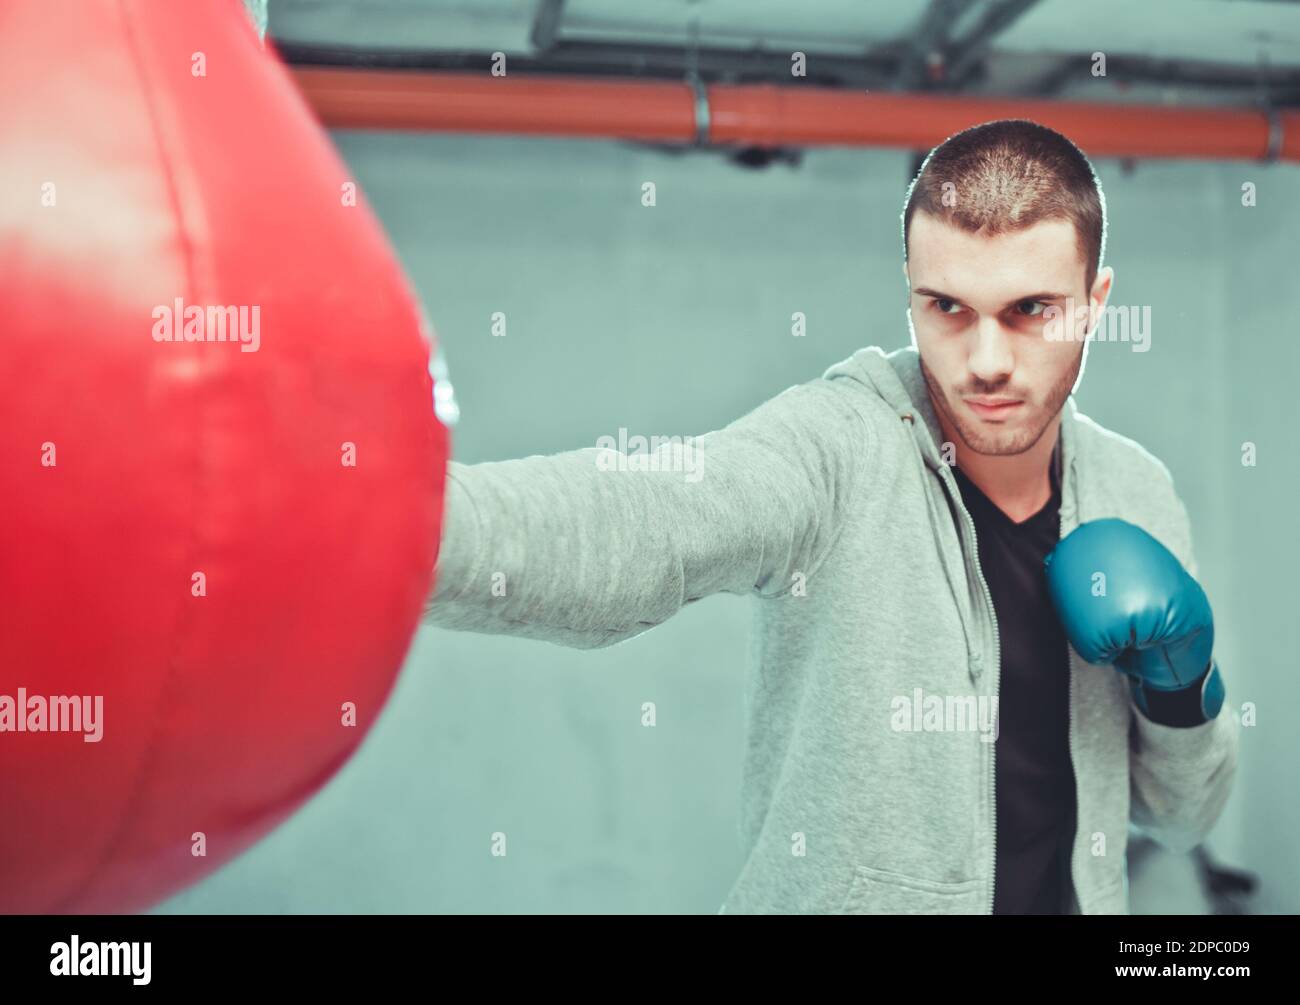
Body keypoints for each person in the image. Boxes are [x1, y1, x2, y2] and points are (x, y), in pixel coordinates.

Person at [422, 119, 1239, 914]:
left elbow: (1181, 816)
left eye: (1029, 310)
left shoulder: (1135, 490)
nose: (986, 361)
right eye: (947, 308)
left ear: (1095, 302)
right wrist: (397, 526)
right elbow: (646, 514)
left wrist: (1180, 689)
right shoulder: (840, 447)